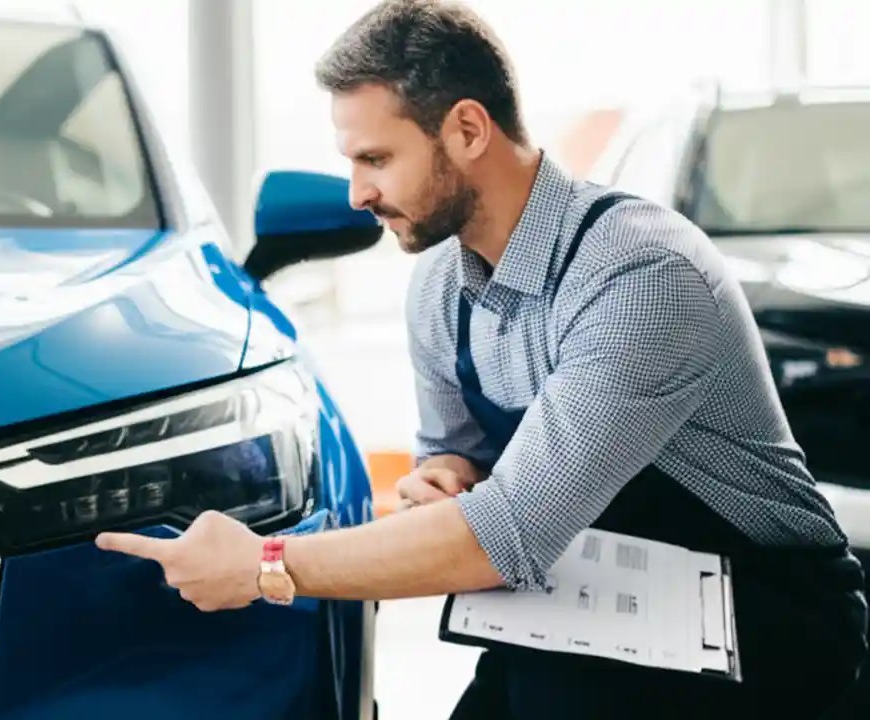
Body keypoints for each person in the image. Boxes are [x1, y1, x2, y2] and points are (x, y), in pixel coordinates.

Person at [96, 1, 868, 717]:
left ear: (467, 130)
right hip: (579, 608)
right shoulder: (439, 284)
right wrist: (443, 484)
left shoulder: (641, 275)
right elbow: (457, 474)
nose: (357, 194)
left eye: (376, 158)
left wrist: (266, 565)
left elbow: (503, 535)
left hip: (753, 625)